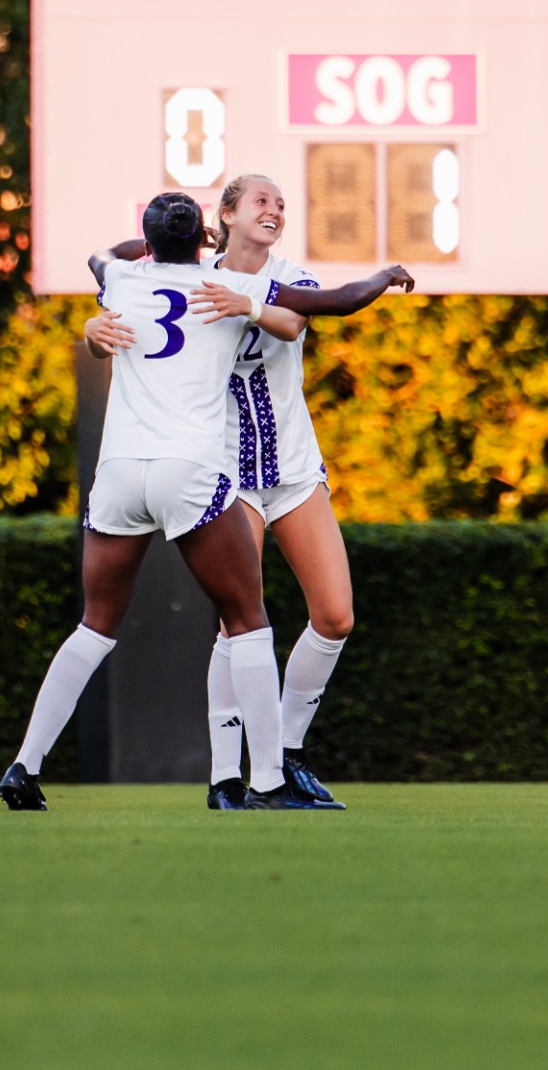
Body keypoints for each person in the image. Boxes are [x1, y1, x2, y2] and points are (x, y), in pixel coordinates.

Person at [0, 191, 414, 811]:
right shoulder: (223, 288)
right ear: (207, 236)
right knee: (247, 621)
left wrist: (94, 323)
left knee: (94, 624)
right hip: (190, 469)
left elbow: (100, 255)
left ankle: (24, 766)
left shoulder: (122, 280)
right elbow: (338, 302)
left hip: (119, 471)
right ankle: (265, 780)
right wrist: (384, 276)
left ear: (148, 243)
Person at [85, 174, 356, 810]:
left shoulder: (289, 277)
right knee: (240, 625)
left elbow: (291, 323)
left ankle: (286, 751)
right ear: (226, 215)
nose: (275, 211)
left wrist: (247, 305)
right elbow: (121, 303)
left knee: (336, 616)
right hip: (226, 468)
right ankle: (227, 776)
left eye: (281, 204)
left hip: (293, 467)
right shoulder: (185, 278)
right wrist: (96, 330)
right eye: (262, 201)